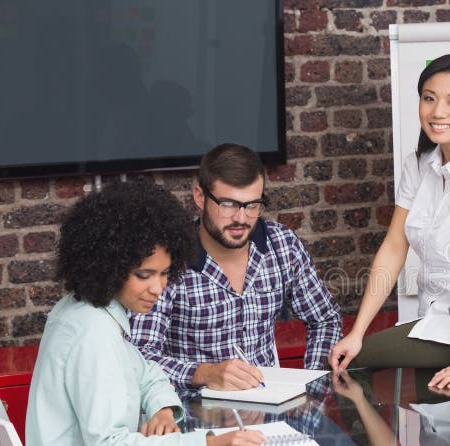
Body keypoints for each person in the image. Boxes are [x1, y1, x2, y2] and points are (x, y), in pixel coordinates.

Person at [25, 181, 280, 446]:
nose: (158, 288)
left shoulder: (84, 310)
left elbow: (146, 371)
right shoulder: (94, 336)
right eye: (144, 275)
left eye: (164, 273)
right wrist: (208, 444)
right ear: (110, 265)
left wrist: (162, 408)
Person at [329, 53, 450, 389]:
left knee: (357, 366)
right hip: (430, 323)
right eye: (429, 98)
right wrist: (356, 332)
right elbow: (393, 248)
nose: (437, 112)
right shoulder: (417, 166)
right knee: (353, 356)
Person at [129, 143, 342, 395]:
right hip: (194, 411)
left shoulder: (282, 245)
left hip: (270, 404)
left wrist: (311, 388)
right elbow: (139, 356)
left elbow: (325, 320)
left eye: (252, 205)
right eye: (228, 204)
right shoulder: (169, 259)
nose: (241, 218)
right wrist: (203, 374)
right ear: (200, 197)